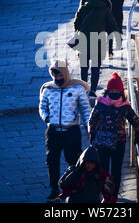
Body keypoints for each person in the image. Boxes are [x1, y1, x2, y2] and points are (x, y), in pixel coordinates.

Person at [39, 60, 92, 202]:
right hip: (53, 132)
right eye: (55, 75)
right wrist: (47, 119)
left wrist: (88, 126)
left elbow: (86, 109)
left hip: (71, 131)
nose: (57, 78)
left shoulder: (77, 89)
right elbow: (42, 107)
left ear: (65, 74)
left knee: (74, 159)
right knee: (52, 161)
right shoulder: (48, 89)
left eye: (60, 75)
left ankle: (77, 186)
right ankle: (54, 189)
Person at [88, 72, 139, 202]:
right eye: (111, 89)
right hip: (101, 144)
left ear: (120, 90)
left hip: (118, 144)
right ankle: (106, 196)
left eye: (116, 89)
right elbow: (92, 120)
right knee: (103, 171)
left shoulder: (125, 107)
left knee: (116, 171)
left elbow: (135, 121)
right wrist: (92, 134)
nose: (113, 92)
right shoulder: (100, 104)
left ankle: (113, 196)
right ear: (108, 90)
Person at [74, 0, 119, 99]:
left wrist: (79, 31)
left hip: (83, 41)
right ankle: (93, 91)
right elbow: (113, 26)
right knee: (95, 68)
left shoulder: (84, 7)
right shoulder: (105, 9)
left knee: (84, 67)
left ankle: (83, 88)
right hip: (98, 42)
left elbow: (76, 23)